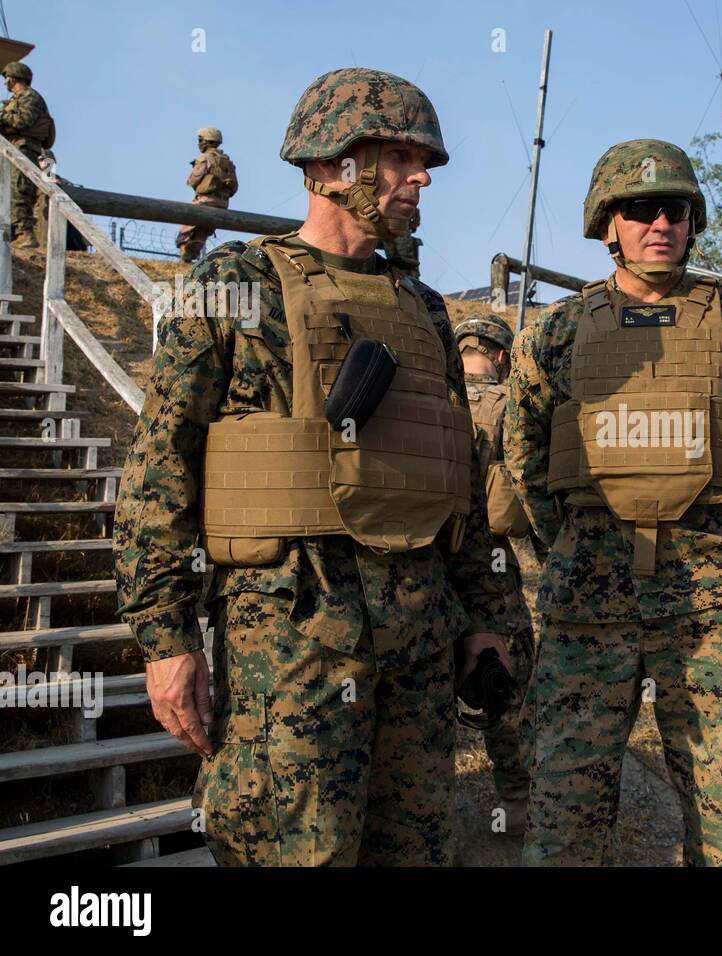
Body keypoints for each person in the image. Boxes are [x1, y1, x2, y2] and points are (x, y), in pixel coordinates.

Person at [114, 67, 515, 866]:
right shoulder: (235, 286)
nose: (422, 177)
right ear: (333, 167)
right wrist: (165, 639)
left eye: (422, 160)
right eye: (398, 158)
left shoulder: (426, 310)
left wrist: (487, 617)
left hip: (419, 639)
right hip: (294, 638)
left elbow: (457, 476)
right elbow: (159, 470)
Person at [506, 138, 722, 866]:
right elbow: (525, 459)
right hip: (589, 598)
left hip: (712, 600)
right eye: (639, 209)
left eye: (674, 208)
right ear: (607, 224)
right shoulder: (555, 331)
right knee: (565, 810)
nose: (659, 224)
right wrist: (581, 546)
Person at [455, 311, 538, 826]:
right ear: (503, 356)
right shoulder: (511, 407)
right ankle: (519, 798)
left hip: (421, 565)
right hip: (493, 567)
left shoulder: (426, 399)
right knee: (507, 687)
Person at [0, 61, 54, 249]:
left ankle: (27, 234)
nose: (5, 82)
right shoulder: (17, 99)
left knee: (20, 191)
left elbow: (23, 120)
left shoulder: (30, 97)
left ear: (13, 78)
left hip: (25, 149)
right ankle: (17, 233)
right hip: (13, 149)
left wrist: (1, 117)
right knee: (8, 191)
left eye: (7, 78)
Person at [176, 127, 238, 262]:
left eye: (200, 140)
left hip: (205, 201)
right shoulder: (228, 162)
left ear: (207, 141)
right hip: (223, 204)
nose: (199, 143)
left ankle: (185, 257)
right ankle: (189, 258)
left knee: (184, 233)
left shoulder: (205, 159)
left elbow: (193, 180)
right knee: (202, 233)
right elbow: (235, 187)